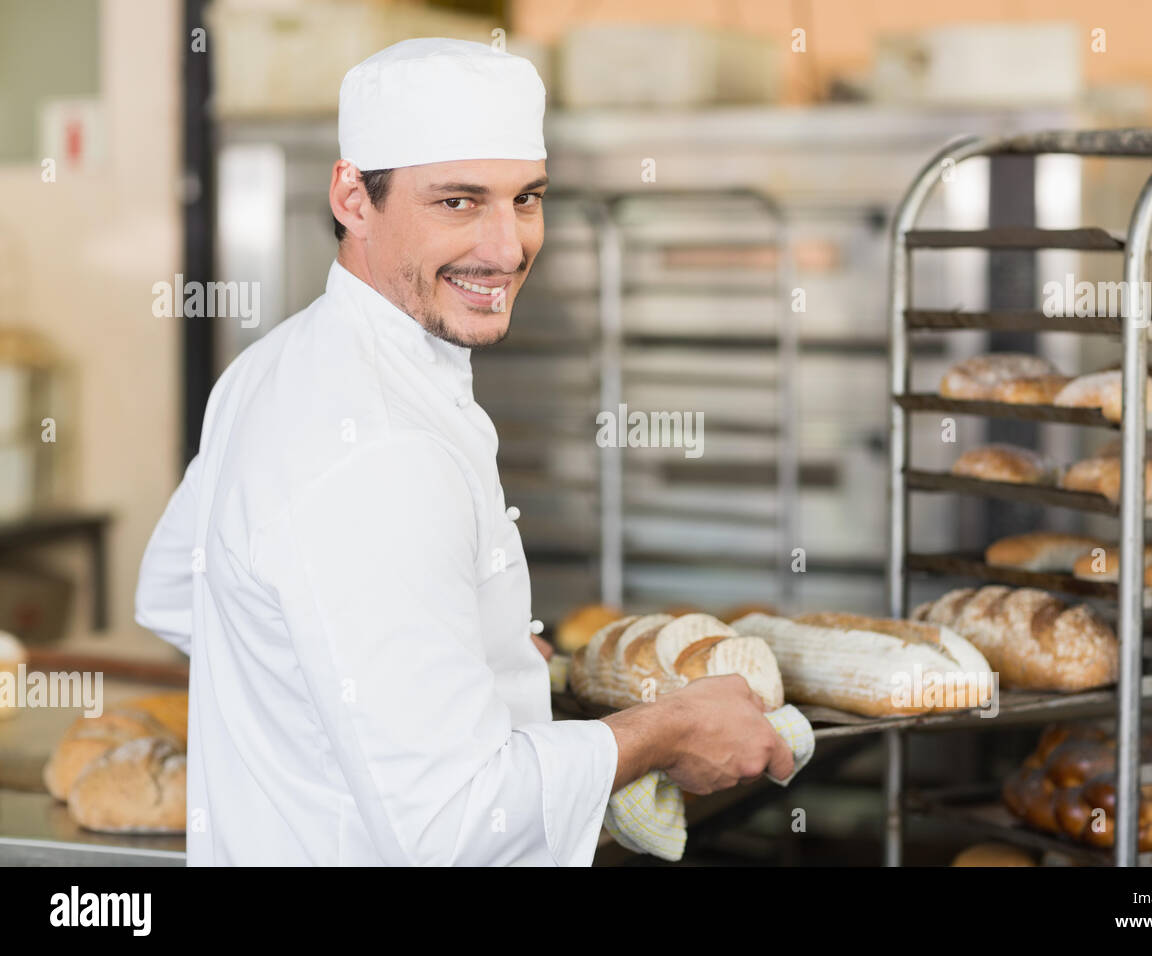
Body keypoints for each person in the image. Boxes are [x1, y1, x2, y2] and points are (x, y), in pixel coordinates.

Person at [136, 37, 792, 866]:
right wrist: (665, 732)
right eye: (458, 201)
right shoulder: (379, 447)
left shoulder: (273, 366)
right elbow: (455, 824)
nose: (507, 245)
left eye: (526, 197)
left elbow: (172, 596)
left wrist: (439, 660)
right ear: (353, 197)